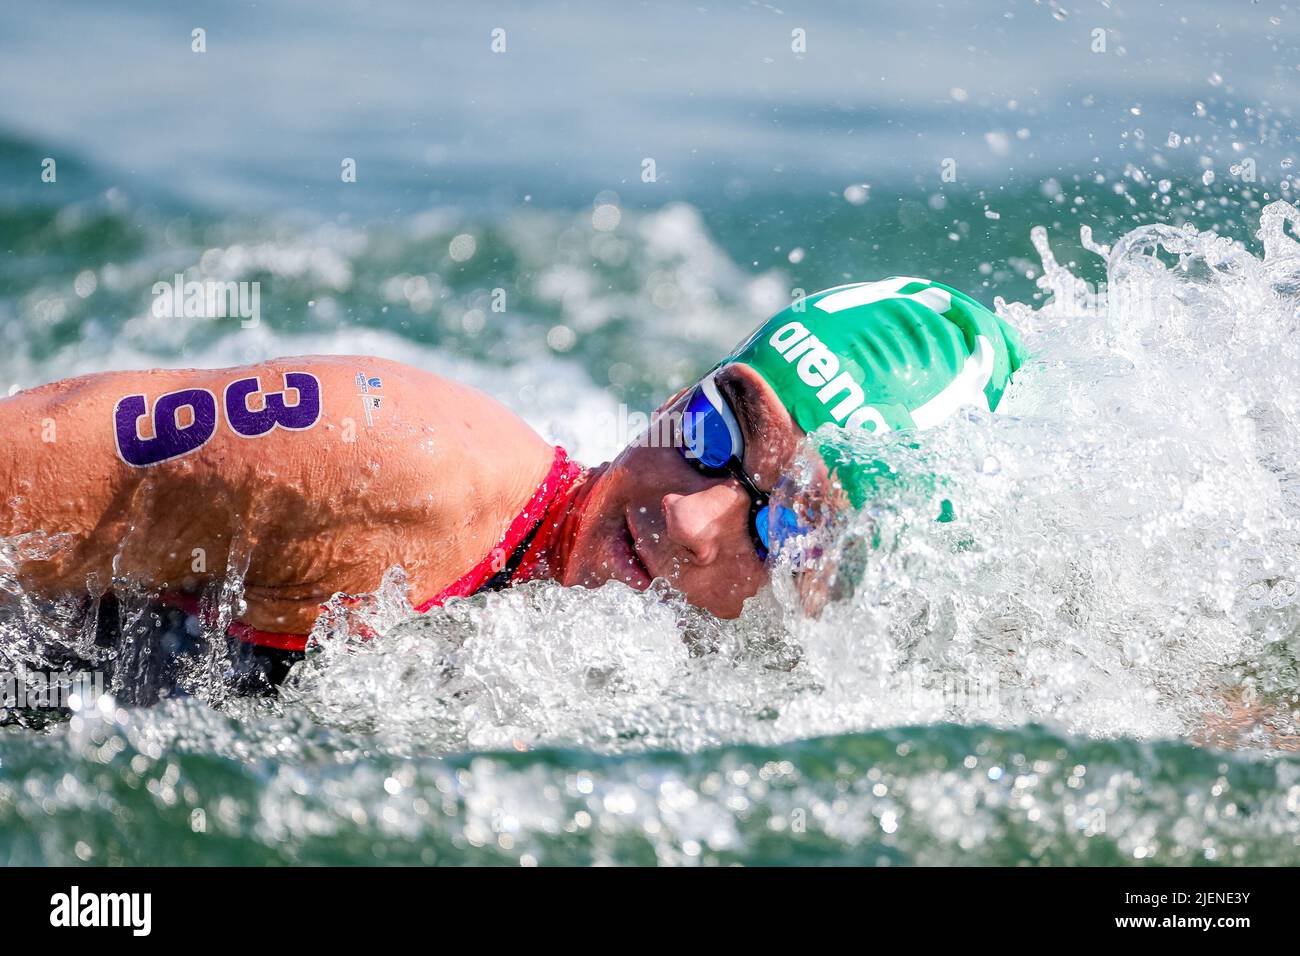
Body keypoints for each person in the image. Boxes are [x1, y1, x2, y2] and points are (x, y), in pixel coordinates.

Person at [0, 276, 1023, 688]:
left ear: (835, 589)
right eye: (712, 424)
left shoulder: (812, 694)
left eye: (788, 526)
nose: (686, 511)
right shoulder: (382, 455)